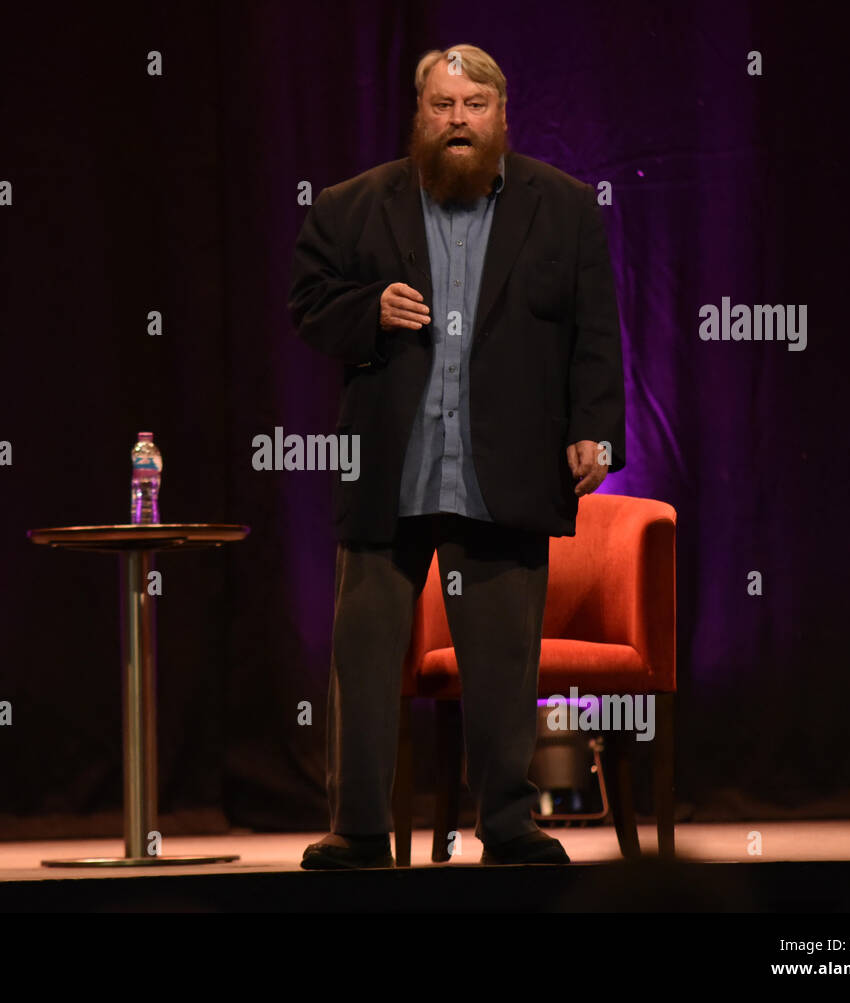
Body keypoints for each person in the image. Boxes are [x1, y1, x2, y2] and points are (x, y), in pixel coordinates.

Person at [287, 44, 627, 868]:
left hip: (502, 471)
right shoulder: (352, 205)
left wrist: (593, 426)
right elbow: (308, 306)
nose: (458, 121)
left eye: (475, 106)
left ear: (503, 116)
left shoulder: (565, 206)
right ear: (419, 116)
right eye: (441, 106)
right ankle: (360, 828)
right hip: (390, 476)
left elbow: (593, 332)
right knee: (364, 661)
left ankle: (509, 824)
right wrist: (369, 309)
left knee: (505, 665)